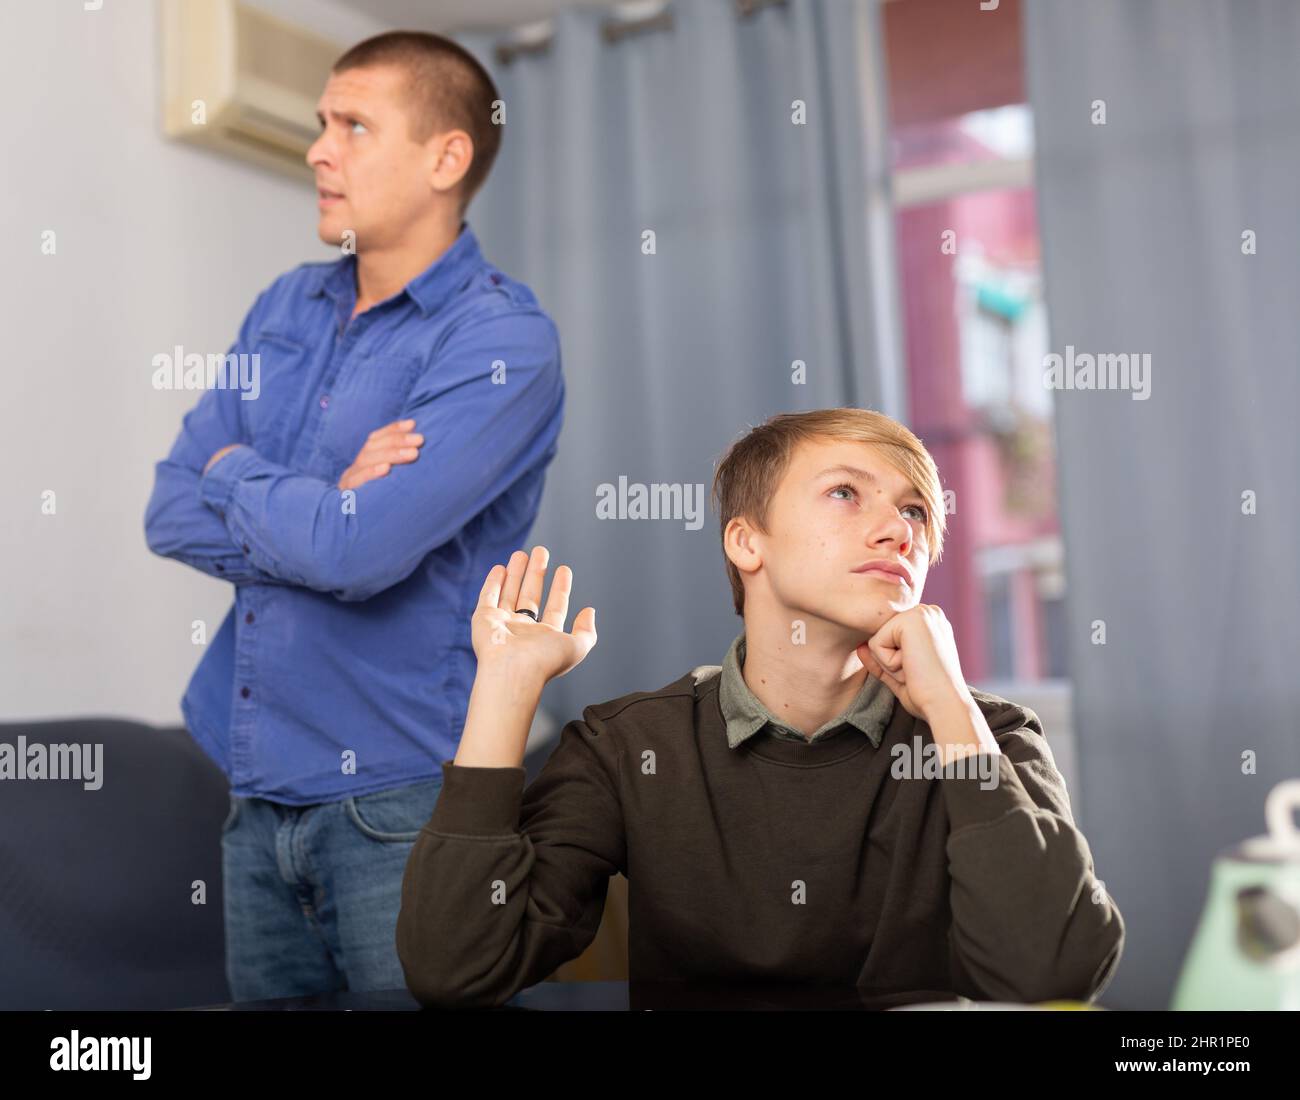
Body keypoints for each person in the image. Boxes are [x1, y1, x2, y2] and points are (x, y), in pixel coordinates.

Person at [395, 407, 1125, 1006]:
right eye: (846, 493)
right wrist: (506, 685)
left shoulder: (986, 735)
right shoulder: (631, 746)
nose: (899, 529)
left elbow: (1050, 973)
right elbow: (456, 970)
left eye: (914, 511)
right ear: (747, 542)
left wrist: (953, 715)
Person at [143, 31, 564, 1001]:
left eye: (352, 125)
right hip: (253, 796)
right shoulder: (286, 304)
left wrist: (240, 470)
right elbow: (167, 507)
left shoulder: (502, 340)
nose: (316, 149)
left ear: (445, 157)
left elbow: (360, 552)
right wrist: (324, 492)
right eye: (322, 122)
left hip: (402, 806)